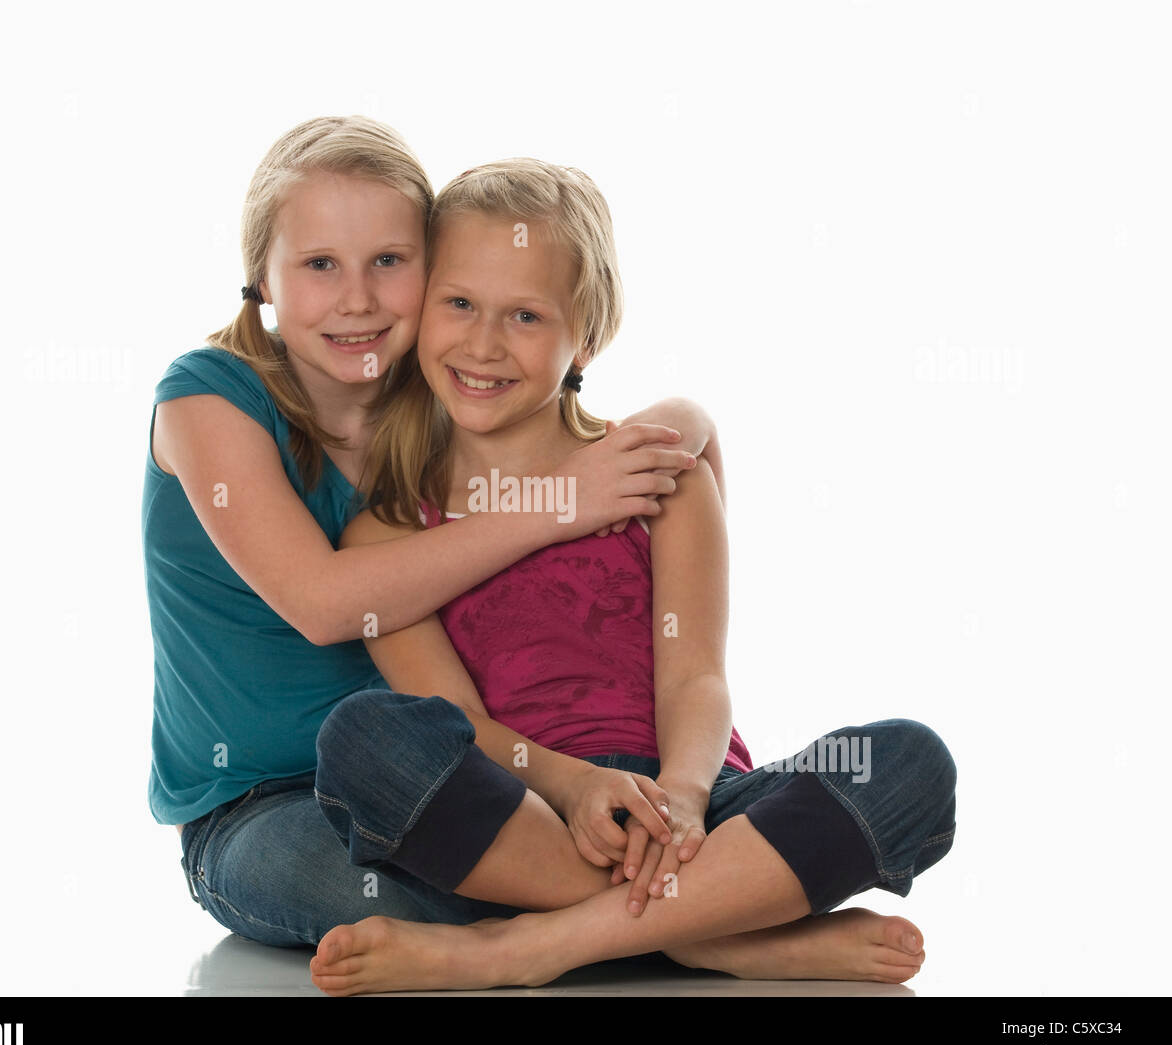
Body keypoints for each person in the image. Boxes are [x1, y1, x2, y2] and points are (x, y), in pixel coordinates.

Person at [310, 158, 958, 994]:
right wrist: (577, 785)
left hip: (705, 812)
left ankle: (527, 949)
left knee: (908, 763)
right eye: (460, 304)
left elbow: (697, 676)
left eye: (527, 316)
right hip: (530, 814)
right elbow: (463, 723)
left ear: (587, 335)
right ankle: (720, 934)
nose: (483, 343)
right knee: (363, 740)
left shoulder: (659, 474)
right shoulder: (387, 538)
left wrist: (684, 795)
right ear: (424, 305)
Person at [144, 115, 719, 947]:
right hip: (262, 801)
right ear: (260, 280)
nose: (357, 299)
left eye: (389, 262)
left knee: (489, 852)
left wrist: (680, 420)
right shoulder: (206, 399)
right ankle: (721, 929)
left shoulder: (431, 399)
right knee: (350, 886)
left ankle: (614, 916)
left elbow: (636, 432)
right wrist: (559, 502)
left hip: (454, 774)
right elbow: (322, 603)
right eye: (318, 266)